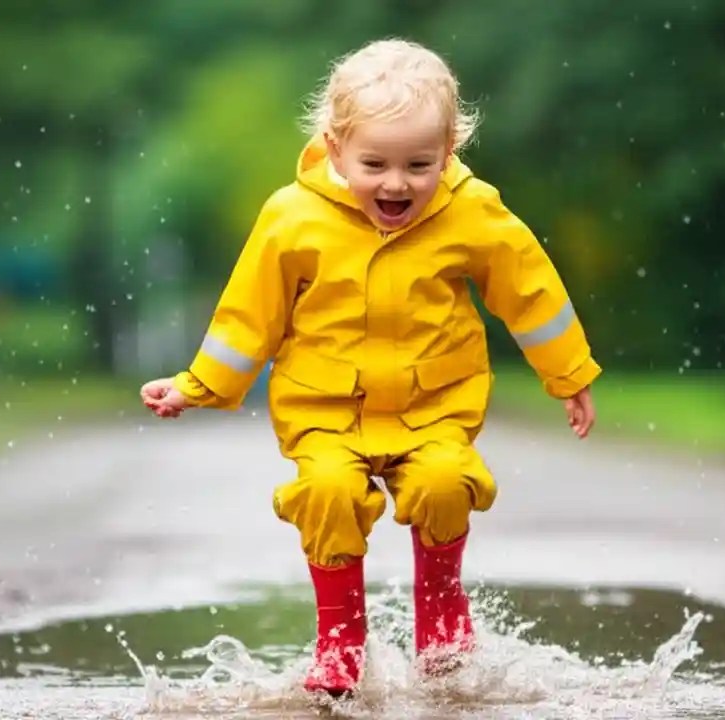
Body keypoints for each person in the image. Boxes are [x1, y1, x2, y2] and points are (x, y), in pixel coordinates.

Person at [139, 37, 601, 698]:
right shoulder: (292, 219)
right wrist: (197, 385)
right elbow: (249, 315)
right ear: (334, 150)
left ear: (448, 151)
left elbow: (531, 293)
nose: (397, 183)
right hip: (328, 413)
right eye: (375, 163)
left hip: (432, 409)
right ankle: (340, 643)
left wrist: (570, 374)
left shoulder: (472, 212)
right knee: (326, 495)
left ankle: (442, 625)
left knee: (445, 483)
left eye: (420, 164)